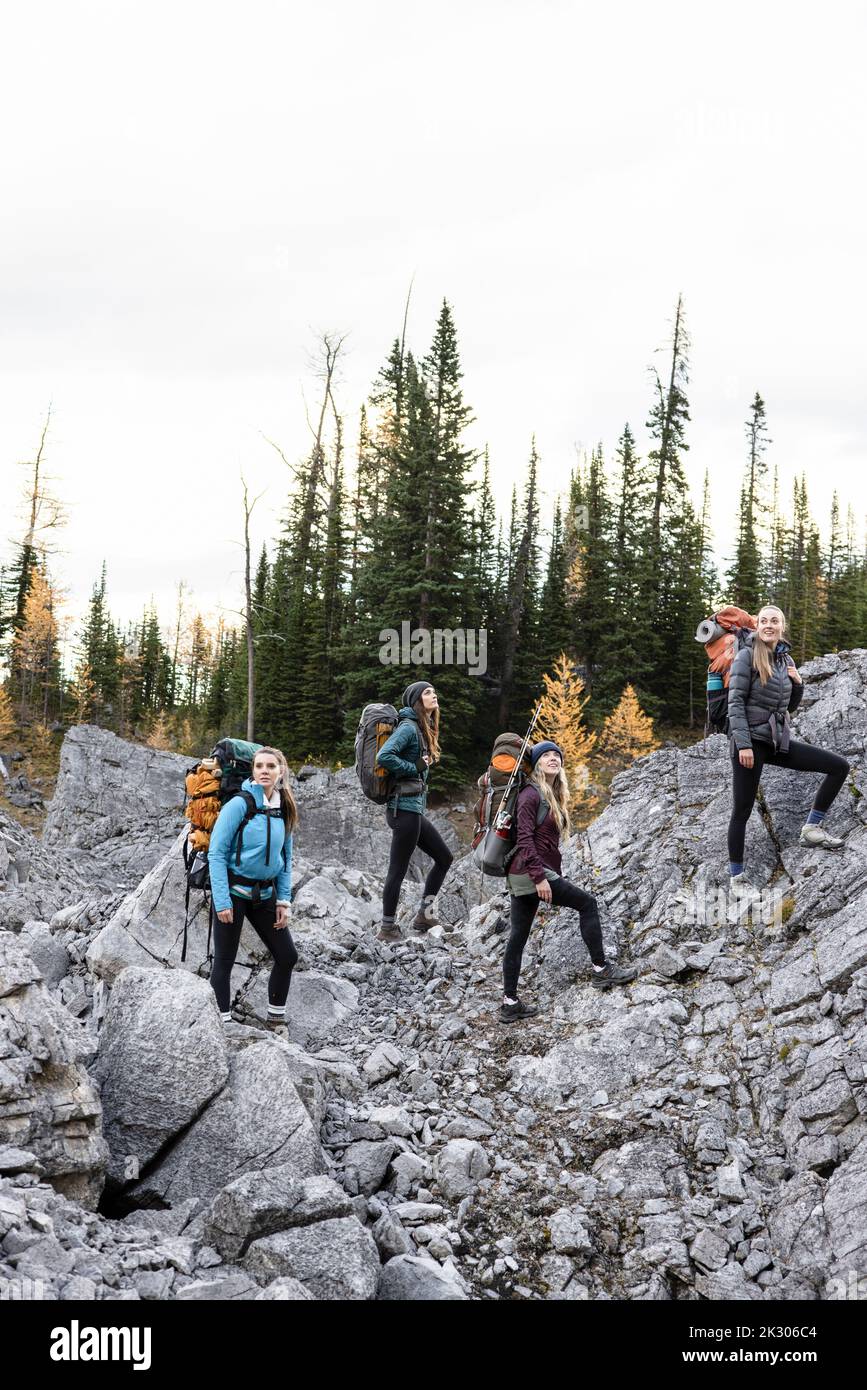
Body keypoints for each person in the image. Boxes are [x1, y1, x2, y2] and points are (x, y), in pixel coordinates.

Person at [500, 740, 637, 1022]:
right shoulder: (530, 794)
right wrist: (540, 878)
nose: (552, 759)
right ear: (536, 763)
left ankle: (509, 1003)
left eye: (556, 755)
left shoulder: (550, 793)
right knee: (587, 904)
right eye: (545, 755)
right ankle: (602, 971)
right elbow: (524, 838)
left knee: (518, 936)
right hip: (530, 871)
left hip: (524, 873)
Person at [727, 605, 850, 897]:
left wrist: (798, 684)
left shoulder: (785, 659)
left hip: (776, 742)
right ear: (757, 626)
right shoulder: (746, 656)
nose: (769, 625)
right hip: (751, 745)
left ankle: (812, 829)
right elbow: (735, 703)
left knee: (839, 766)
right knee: (742, 810)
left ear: (783, 626)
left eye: (775, 621)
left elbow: (787, 708)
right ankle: (737, 879)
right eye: (764, 621)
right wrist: (743, 744)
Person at [207, 746, 298, 1028]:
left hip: (266, 894)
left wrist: (284, 900)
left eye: (270, 766)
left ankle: (275, 1020)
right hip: (233, 893)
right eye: (259, 766)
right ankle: (223, 1025)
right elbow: (216, 853)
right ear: (253, 770)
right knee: (224, 960)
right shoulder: (239, 804)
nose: (264, 771)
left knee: (287, 956)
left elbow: (286, 857)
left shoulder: (284, 807)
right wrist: (222, 901)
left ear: (281, 770)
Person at [374, 680, 453, 942]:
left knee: (444, 858)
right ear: (416, 700)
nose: (434, 695)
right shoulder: (408, 727)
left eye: (434, 690)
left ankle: (425, 916)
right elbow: (384, 756)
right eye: (427, 692)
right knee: (397, 869)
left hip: (412, 810)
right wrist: (416, 766)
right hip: (403, 810)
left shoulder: (421, 728)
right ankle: (387, 928)